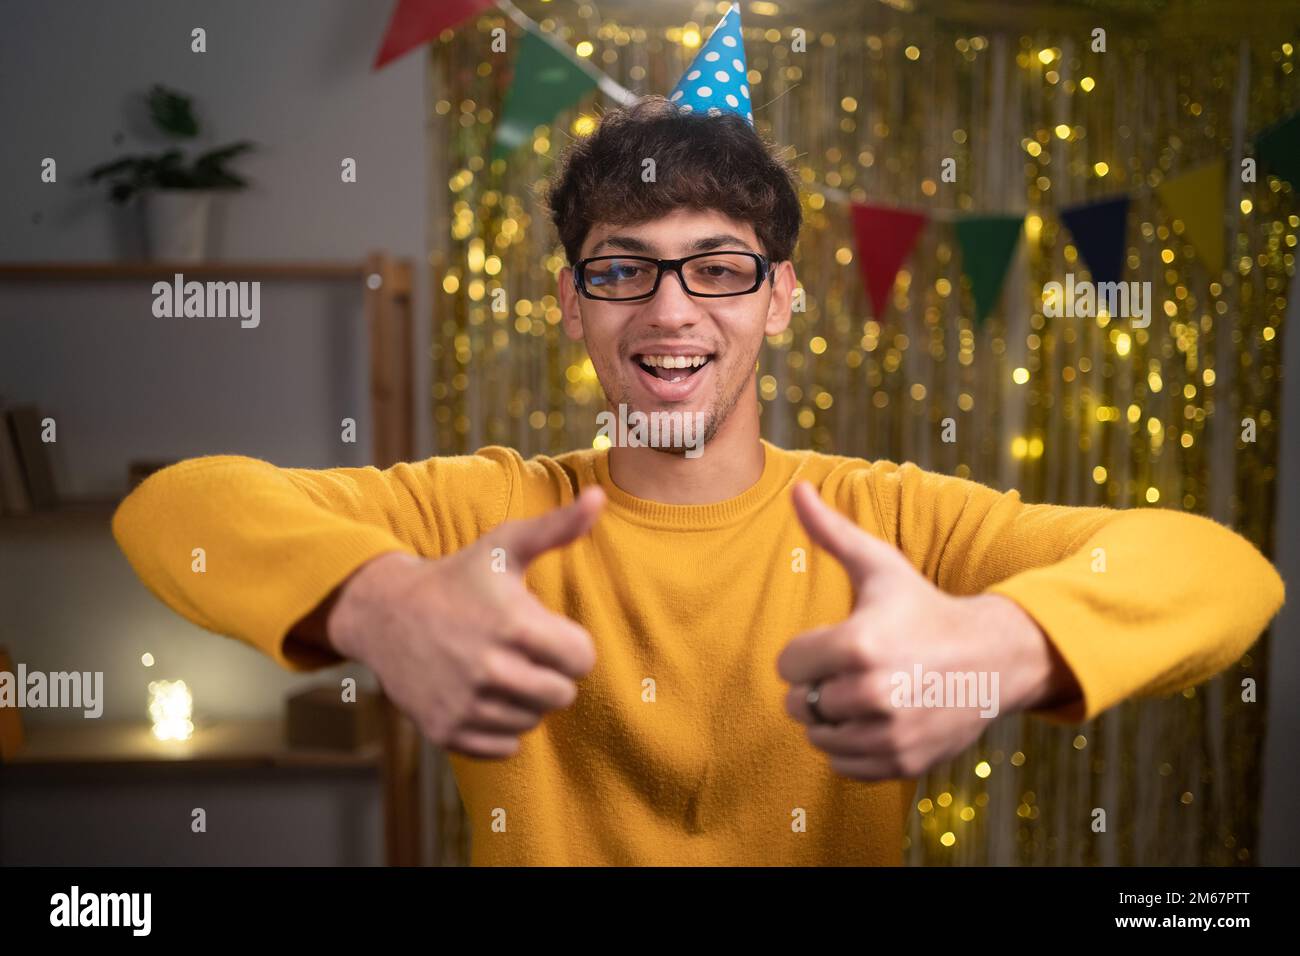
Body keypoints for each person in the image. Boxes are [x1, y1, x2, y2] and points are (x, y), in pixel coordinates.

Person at [112, 92, 1285, 867]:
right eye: (624, 268)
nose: (671, 311)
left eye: (717, 267)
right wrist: (379, 602)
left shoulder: (889, 521)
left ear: (780, 297)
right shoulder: (482, 512)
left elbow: (1223, 570)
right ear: (573, 303)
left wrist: (1002, 642)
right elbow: (175, 507)